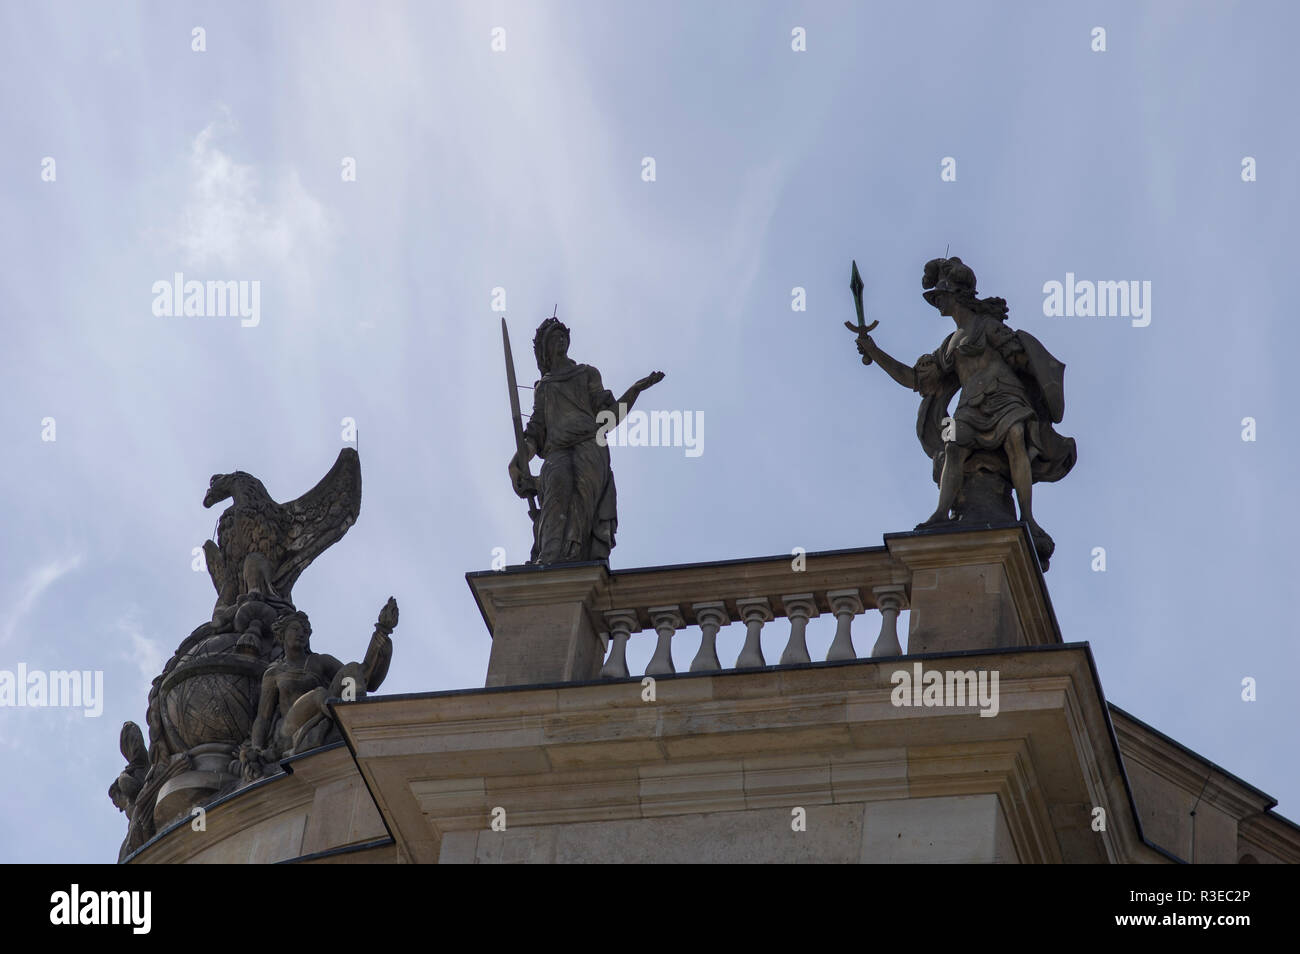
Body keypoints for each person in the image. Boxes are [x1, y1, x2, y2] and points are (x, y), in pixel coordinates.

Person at [509, 316, 663, 564]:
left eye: (563, 334)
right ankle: (548, 560)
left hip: (590, 445)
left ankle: (575, 562)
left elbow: (607, 419)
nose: (560, 339)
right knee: (555, 492)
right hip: (557, 450)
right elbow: (535, 434)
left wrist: (634, 391)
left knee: (583, 503)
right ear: (545, 350)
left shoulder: (587, 374)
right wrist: (517, 463)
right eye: (554, 336)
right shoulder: (544, 388)